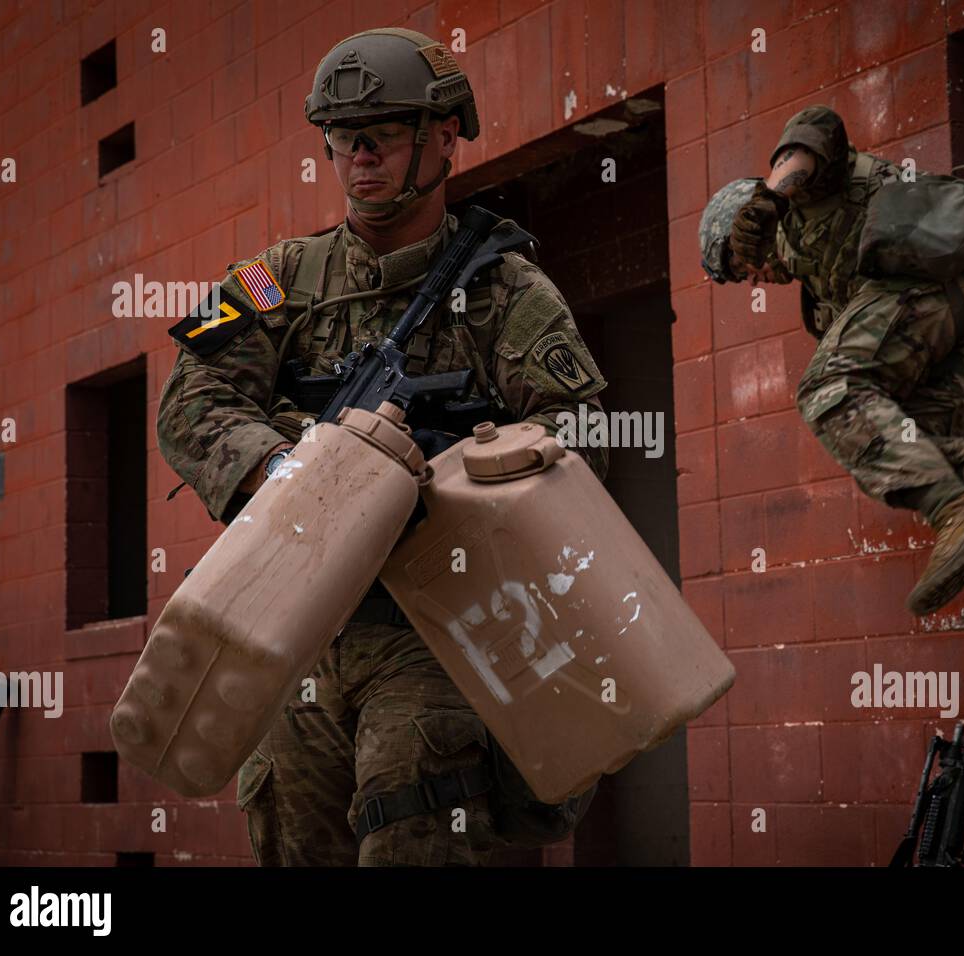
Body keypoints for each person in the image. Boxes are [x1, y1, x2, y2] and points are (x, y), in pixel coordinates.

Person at [157, 28, 608, 865]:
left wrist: (436, 480)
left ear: (444, 136)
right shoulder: (273, 279)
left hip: (435, 629)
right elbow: (192, 401)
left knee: (415, 826)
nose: (358, 158)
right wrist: (298, 469)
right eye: (341, 140)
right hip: (290, 629)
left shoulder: (509, 290)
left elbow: (579, 433)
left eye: (382, 136)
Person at [699, 106, 964, 616]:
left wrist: (766, 203)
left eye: (737, 264)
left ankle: (956, 510)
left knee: (826, 390)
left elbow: (815, 129)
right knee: (897, 432)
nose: (750, 278)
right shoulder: (825, 297)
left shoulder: (801, 203)